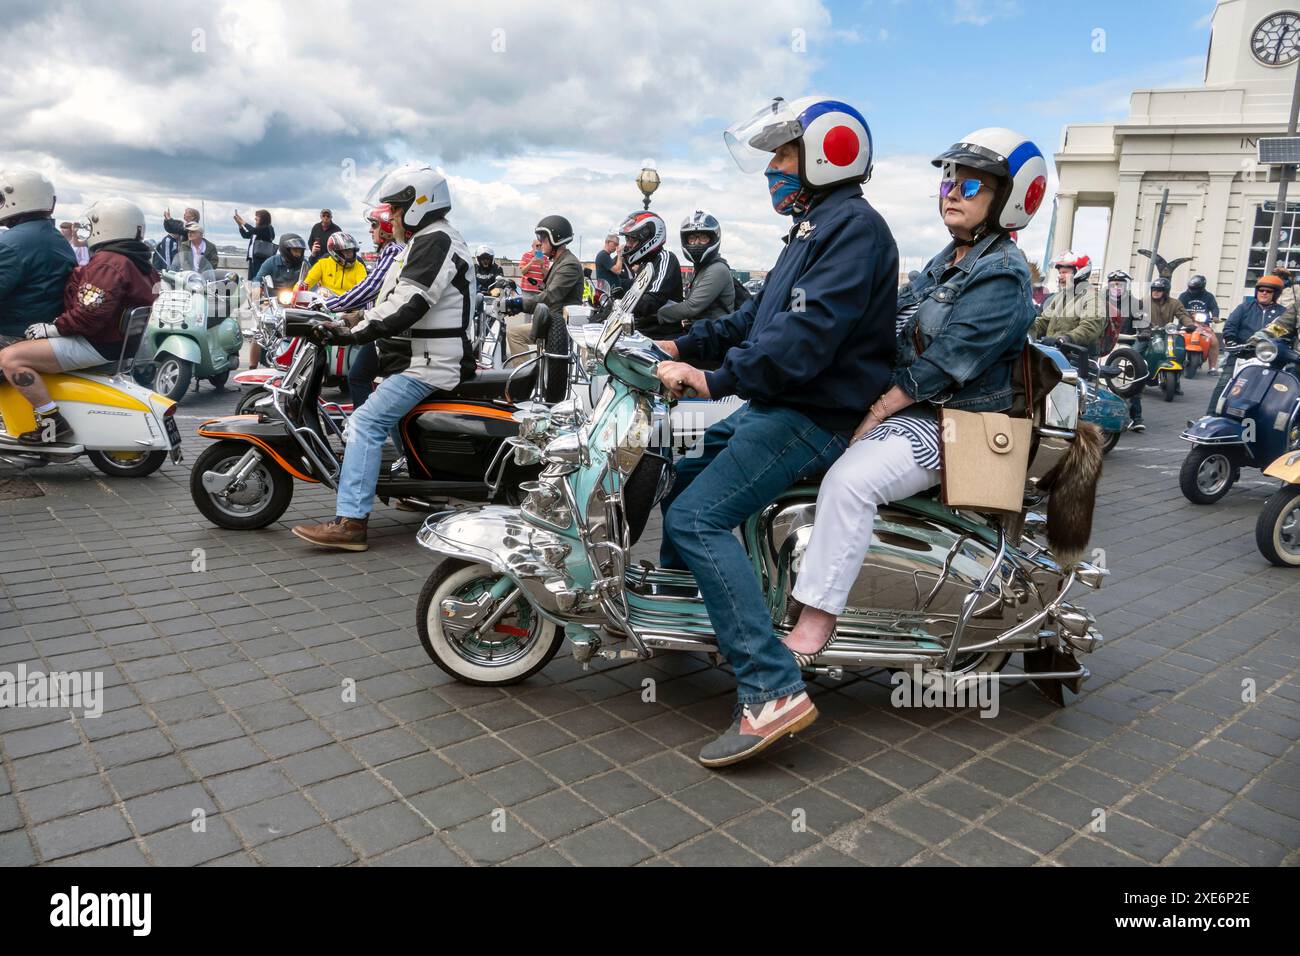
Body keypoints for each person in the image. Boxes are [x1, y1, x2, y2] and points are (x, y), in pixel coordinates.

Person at [652, 96, 897, 767]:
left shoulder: (854, 231)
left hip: (811, 415)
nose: (773, 170)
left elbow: (804, 339)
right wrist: (679, 347)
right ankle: (690, 621)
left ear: (828, 154)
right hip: (778, 404)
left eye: (784, 155)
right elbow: (752, 320)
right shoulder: (813, 230)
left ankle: (770, 688)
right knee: (681, 483)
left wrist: (712, 380)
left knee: (701, 518)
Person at [781, 127, 1047, 674]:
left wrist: (875, 410)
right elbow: (888, 322)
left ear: (1010, 199)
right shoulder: (949, 259)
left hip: (954, 421)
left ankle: (816, 621)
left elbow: (946, 363)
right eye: (949, 180)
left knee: (851, 483)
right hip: (914, 408)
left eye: (971, 184)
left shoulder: (1002, 275)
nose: (952, 191)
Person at [290, 162, 474, 551]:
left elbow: (408, 305)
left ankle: (351, 523)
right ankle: (412, 489)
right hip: (420, 358)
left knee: (363, 423)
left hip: (432, 363)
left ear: (418, 205)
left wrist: (350, 333)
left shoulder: (434, 241)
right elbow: (389, 300)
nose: (388, 217)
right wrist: (349, 318)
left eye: (393, 209)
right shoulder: (425, 242)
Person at [0, 199, 158, 443]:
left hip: (94, 343)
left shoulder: (109, 262)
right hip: (114, 343)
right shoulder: (141, 264)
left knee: (9, 358)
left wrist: (52, 328)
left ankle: (51, 422)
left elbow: (89, 314)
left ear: (107, 225)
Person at [326, 204, 405, 409]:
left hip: (385, 327)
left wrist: (330, 304)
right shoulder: (390, 251)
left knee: (358, 376)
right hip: (383, 322)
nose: (371, 230)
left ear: (387, 227)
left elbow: (371, 287)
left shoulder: (393, 251)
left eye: (374, 225)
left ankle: (364, 423)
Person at [0, 168, 77, 342]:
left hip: (12, 333)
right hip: (41, 329)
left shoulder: (11, 243)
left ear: (15, 199)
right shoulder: (55, 237)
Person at [503, 215, 584, 363]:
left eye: (544, 239)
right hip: (554, 319)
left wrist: (519, 304)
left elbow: (550, 296)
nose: (541, 243)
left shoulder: (569, 264)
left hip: (558, 324)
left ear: (555, 240)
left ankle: (525, 378)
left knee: (514, 333)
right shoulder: (561, 261)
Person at [1208, 274, 1287, 413]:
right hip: (1242, 354)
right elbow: (1230, 326)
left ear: (1275, 294)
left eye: (1268, 291)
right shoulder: (1244, 307)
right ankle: (1210, 415)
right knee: (1225, 384)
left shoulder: (1282, 314)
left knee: (1274, 391)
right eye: (1261, 290)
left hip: (1268, 358)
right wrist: (1231, 341)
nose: (1263, 293)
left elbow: (1283, 333)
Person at [655, 210, 735, 335]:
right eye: (692, 238)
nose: (696, 242)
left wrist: (656, 314)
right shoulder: (701, 269)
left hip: (715, 338)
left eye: (703, 238)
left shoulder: (718, 269)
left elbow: (691, 307)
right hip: (701, 333)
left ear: (713, 239)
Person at [619, 210, 683, 338]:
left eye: (632, 240)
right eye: (627, 240)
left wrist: (620, 304)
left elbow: (651, 301)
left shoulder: (666, 258)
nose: (628, 245)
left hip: (661, 335)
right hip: (643, 331)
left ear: (648, 238)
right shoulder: (645, 265)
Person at [250, 233, 308, 369]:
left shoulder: (305, 265)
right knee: (258, 331)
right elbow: (257, 280)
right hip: (274, 305)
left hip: (296, 307)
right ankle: (252, 366)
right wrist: (257, 295)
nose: (298, 254)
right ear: (285, 250)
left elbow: (312, 282)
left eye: (300, 251)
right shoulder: (271, 262)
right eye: (295, 250)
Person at [1033, 251, 1105, 351]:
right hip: (1052, 350)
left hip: (1076, 356)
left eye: (1065, 272)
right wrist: (1026, 329)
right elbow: (1044, 321)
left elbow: (1090, 327)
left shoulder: (1092, 297)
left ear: (1080, 272)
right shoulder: (1060, 297)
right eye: (1060, 273)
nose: (1060, 276)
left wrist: (1065, 339)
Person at [1105, 270, 1148, 431]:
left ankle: (1137, 417)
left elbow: (1144, 323)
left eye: (1120, 284)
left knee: (1132, 374)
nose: (1116, 286)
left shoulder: (1135, 303)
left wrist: (1144, 332)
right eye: (1113, 283)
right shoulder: (1100, 301)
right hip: (1105, 346)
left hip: (1126, 344)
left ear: (1127, 286)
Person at [301, 231, 367, 295]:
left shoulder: (359, 267)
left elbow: (363, 289)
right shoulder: (322, 264)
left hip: (349, 303)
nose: (350, 254)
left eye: (351, 251)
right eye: (346, 251)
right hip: (324, 302)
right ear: (335, 252)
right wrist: (296, 294)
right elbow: (306, 283)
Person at [234, 208, 275, 279]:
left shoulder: (268, 228)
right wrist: (240, 225)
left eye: (257, 217)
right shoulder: (257, 229)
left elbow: (255, 230)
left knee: (258, 278)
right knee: (251, 279)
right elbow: (245, 235)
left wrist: (242, 221)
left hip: (261, 258)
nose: (255, 218)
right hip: (253, 259)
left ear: (263, 218)